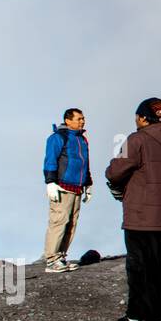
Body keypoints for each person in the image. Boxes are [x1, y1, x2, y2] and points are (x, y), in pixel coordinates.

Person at [99, 98, 161, 321]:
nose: (136, 120)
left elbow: (115, 172)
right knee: (159, 266)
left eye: (137, 116)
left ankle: (135, 318)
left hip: (140, 213)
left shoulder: (135, 139)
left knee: (138, 267)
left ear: (144, 118)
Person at [42, 107, 93, 273]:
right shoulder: (57, 138)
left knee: (71, 223)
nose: (82, 121)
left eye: (83, 118)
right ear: (68, 120)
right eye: (79, 119)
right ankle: (51, 259)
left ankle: (61, 256)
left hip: (77, 187)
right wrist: (50, 182)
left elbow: (84, 163)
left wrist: (88, 183)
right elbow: (50, 160)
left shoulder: (82, 140)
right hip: (62, 186)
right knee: (59, 221)